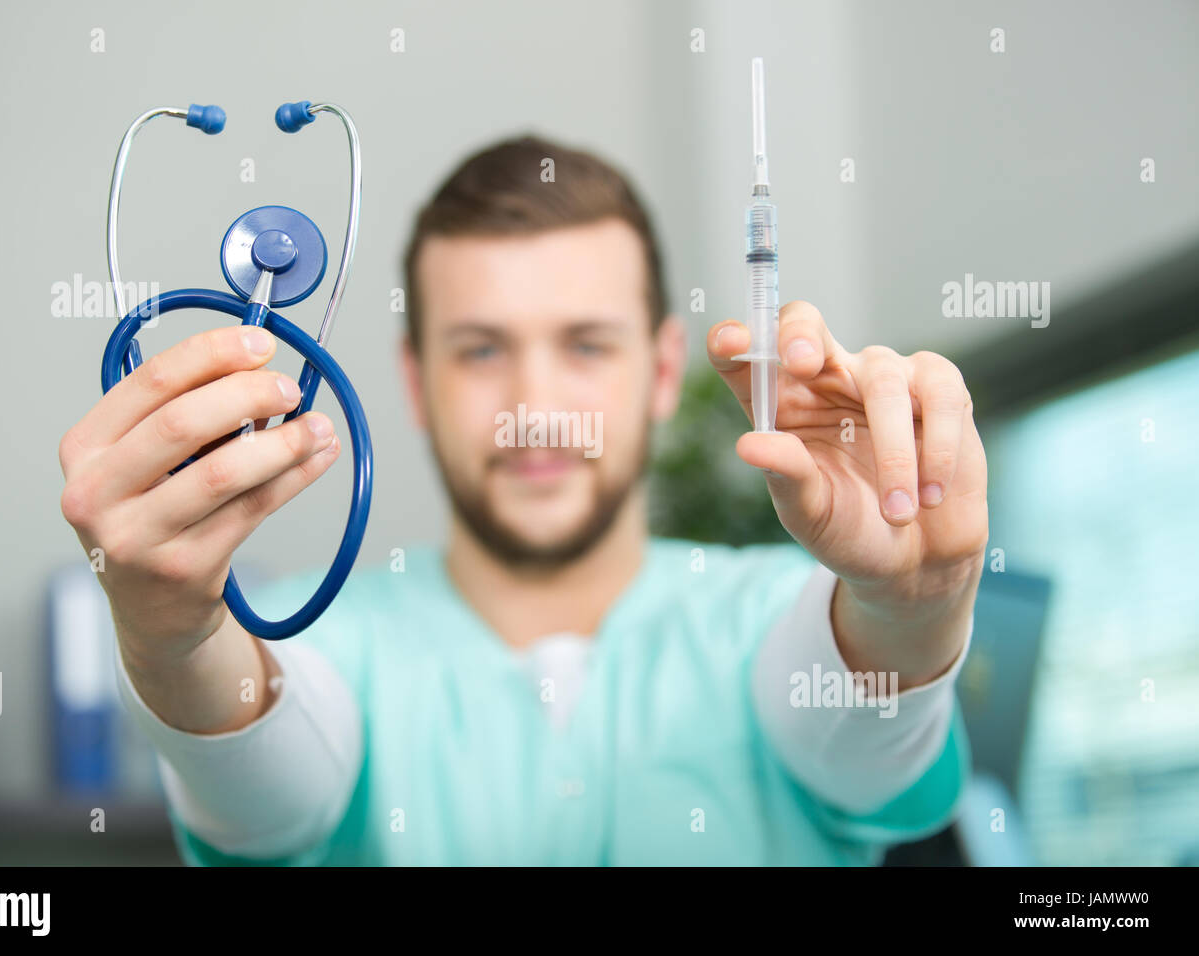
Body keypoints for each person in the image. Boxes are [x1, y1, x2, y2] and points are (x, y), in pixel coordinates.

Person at [58, 134, 987, 865]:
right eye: (481, 350)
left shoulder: (777, 618)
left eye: (586, 344)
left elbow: (867, 722)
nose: (535, 411)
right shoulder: (316, 642)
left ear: (663, 372)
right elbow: (265, 785)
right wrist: (173, 633)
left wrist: (913, 605)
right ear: (416, 382)